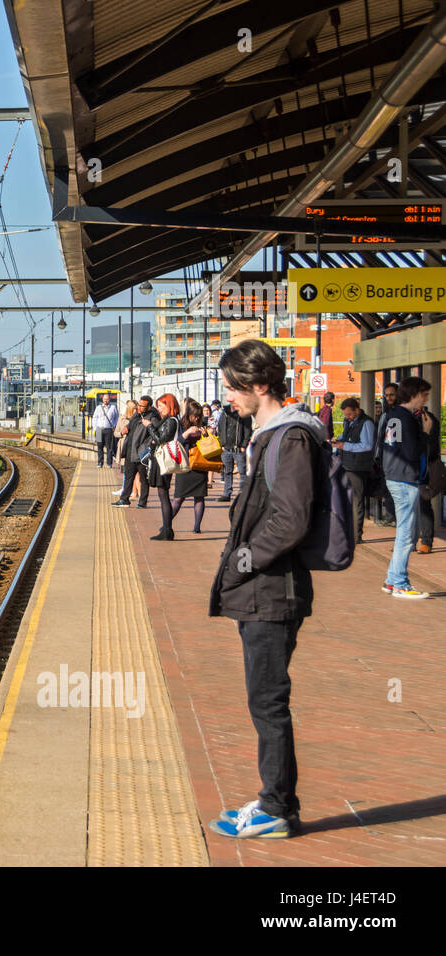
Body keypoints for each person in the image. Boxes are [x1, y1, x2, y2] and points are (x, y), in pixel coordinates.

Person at [209, 339, 327, 839]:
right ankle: (272, 799)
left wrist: (242, 560)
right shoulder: (270, 434)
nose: (227, 398)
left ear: (260, 386)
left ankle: (277, 808)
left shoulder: (291, 438)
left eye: (233, 389)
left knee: (269, 702)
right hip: (261, 588)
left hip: (272, 591)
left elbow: (290, 519)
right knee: (265, 699)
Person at [381, 376, 432, 599]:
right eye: (424, 395)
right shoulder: (409, 420)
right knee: (407, 534)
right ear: (414, 394)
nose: (425, 399)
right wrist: (426, 433)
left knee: (404, 531)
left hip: (394, 476)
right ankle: (400, 582)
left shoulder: (393, 417)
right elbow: (412, 452)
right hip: (405, 479)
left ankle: (393, 580)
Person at [331, 397, 375, 545]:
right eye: (345, 415)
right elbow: (345, 436)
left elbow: (367, 445)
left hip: (358, 467)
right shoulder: (349, 422)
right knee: (345, 499)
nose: (347, 417)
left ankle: (356, 535)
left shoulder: (366, 423)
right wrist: (336, 442)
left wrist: (345, 446)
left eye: (349, 414)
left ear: (357, 410)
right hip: (346, 464)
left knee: (356, 501)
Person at [170, 398, 211, 533]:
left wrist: (205, 435)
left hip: (200, 465)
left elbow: (209, 444)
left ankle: (197, 527)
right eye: (195, 415)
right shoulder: (180, 424)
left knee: (199, 497)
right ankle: (167, 521)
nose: (197, 418)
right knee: (178, 497)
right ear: (189, 414)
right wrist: (187, 433)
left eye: (199, 415)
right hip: (185, 465)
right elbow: (177, 443)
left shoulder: (202, 424)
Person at [113, 395, 159, 509]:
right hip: (130, 451)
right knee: (128, 477)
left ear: (149, 407)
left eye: (142, 406)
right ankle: (124, 500)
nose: (139, 407)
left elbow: (155, 433)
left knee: (144, 479)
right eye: (139, 405)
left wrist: (149, 426)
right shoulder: (136, 416)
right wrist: (126, 429)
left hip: (142, 454)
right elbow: (130, 426)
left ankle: (142, 502)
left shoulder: (153, 418)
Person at [146, 393, 181, 540]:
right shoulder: (166, 420)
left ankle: (167, 530)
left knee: (163, 494)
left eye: (162, 406)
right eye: (158, 406)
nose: (159, 409)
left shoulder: (171, 421)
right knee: (162, 494)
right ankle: (166, 529)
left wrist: (150, 428)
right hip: (160, 460)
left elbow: (160, 439)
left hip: (164, 461)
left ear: (169, 405)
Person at [415, 400, 440, 555]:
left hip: (423, 468)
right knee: (408, 508)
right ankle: (409, 541)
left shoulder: (428, 419)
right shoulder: (406, 418)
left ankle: (426, 541)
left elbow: (431, 446)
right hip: (409, 468)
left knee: (424, 505)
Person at [374, 382, 400, 526]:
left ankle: (395, 517)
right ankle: (391, 516)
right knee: (388, 489)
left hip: (397, 460)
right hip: (386, 459)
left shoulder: (398, 415)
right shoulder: (386, 414)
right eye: (387, 395)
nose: (389, 398)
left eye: (392, 395)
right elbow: (381, 438)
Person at [216, 401, 253, 501]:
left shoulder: (244, 413)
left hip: (239, 448)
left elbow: (247, 429)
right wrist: (222, 442)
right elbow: (220, 428)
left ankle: (243, 494)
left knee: (242, 472)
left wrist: (244, 444)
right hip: (226, 448)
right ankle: (226, 493)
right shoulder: (224, 413)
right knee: (227, 472)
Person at [112, 399, 138, 496]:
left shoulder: (138, 419)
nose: (136, 410)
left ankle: (128, 490)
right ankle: (125, 489)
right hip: (124, 446)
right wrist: (122, 433)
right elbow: (115, 433)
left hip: (134, 446)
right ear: (130, 409)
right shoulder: (122, 419)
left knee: (130, 470)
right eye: (134, 409)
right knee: (125, 469)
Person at [92, 392, 119, 468]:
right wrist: (95, 428)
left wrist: (114, 426)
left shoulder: (113, 408)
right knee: (99, 447)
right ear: (102, 399)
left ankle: (109, 463)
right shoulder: (98, 408)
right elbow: (94, 418)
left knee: (109, 447)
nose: (105, 400)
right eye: (104, 399)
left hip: (109, 430)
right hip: (99, 430)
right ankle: (100, 463)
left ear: (109, 399)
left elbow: (116, 418)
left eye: (107, 399)